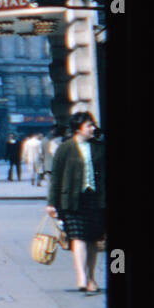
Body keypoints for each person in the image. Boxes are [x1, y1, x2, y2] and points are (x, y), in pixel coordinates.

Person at [47, 112, 105, 294]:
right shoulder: (65, 148)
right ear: (78, 128)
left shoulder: (99, 147)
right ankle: (82, 276)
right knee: (78, 237)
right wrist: (51, 203)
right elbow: (55, 177)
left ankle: (91, 277)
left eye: (93, 125)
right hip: (72, 200)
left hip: (95, 199)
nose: (93, 128)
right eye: (89, 125)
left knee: (93, 240)